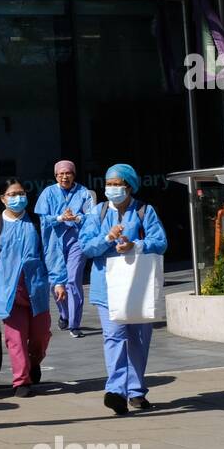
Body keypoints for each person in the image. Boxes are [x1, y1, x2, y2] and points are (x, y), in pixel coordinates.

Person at [81, 163, 168, 416]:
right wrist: (107, 239)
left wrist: (135, 245)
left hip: (138, 285)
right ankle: (116, 391)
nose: (111, 188)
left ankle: (136, 391)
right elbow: (86, 248)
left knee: (139, 340)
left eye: (117, 184)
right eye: (108, 183)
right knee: (114, 337)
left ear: (128, 186)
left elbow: (160, 242)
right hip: (107, 287)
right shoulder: (96, 213)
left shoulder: (144, 211)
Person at [0, 179, 58, 397]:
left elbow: (52, 253)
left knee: (41, 336)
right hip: (9, 292)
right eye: (12, 194)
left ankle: (33, 362)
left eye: (21, 193)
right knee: (16, 338)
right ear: (2, 198)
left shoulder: (38, 223)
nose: (18, 197)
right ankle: (21, 381)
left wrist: (58, 281)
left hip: (36, 289)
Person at [35, 159, 94, 338]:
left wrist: (78, 218)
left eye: (68, 173)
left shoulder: (84, 192)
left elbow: (91, 216)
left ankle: (74, 324)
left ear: (73, 175)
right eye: (60, 174)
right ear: (56, 176)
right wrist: (59, 218)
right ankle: (64, 314)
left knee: (73, 279)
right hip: (54, 241)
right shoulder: (48, 193)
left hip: (76, 240)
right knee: (56, 281)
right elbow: (43, 219)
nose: (64, 176)